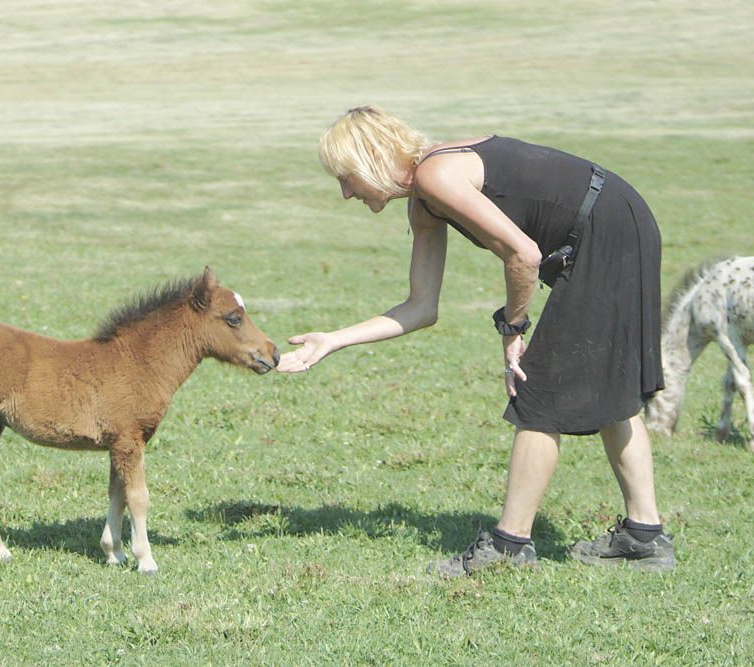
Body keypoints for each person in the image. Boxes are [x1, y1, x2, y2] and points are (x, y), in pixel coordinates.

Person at [278, 105, 674, 576]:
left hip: (606, 229)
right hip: (615, 220)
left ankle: (509, 546)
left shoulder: (436, 176)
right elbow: (421, 307)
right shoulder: (425, 201)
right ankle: (644, 537)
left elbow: (523, 255)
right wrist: (333, 340)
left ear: (370, 160)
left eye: (346, 178)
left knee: (536, 391)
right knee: (608, 385)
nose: (346, 193)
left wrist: (513, 329)